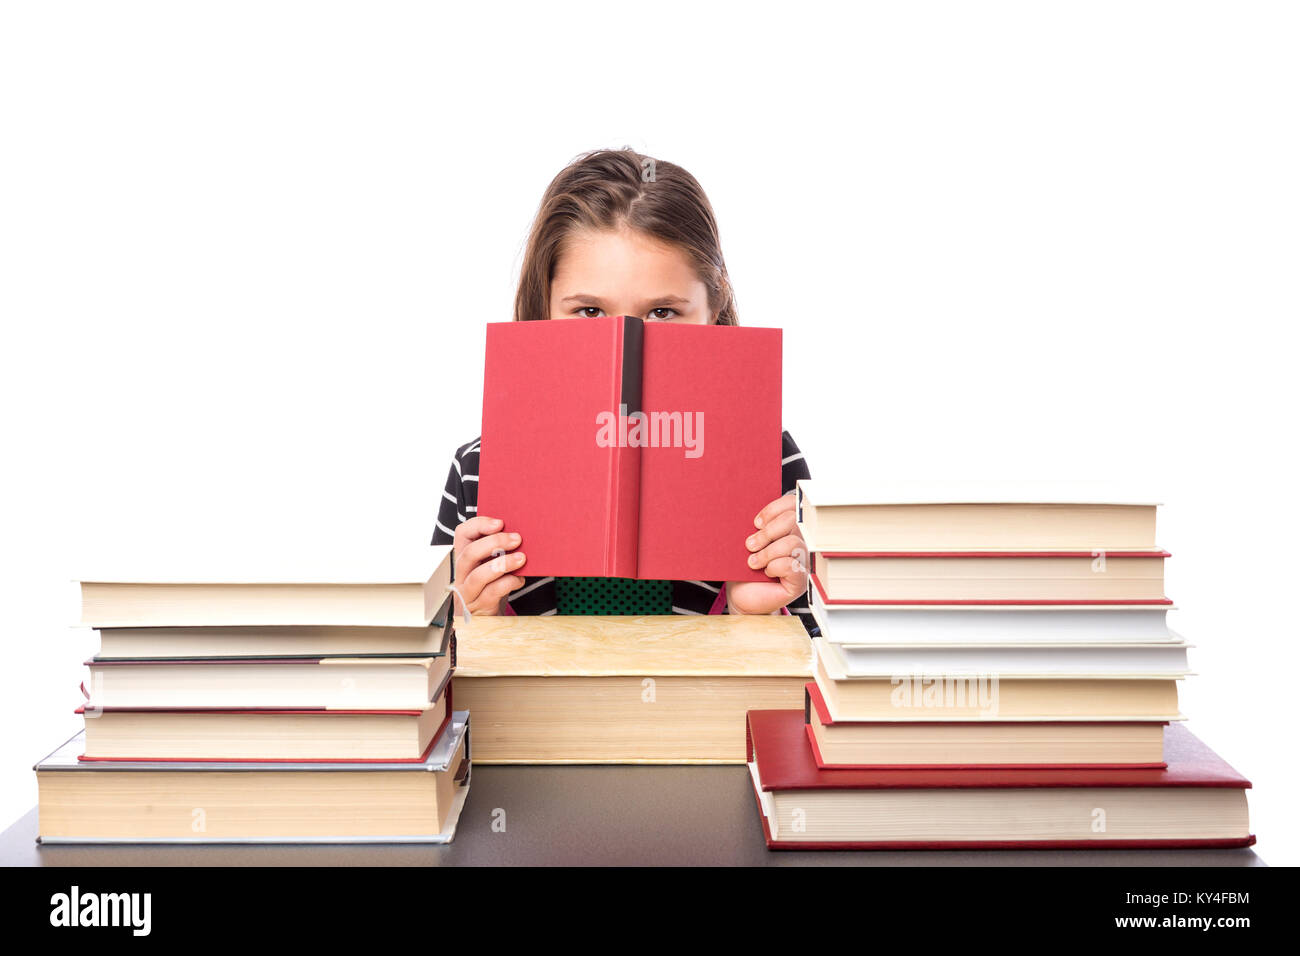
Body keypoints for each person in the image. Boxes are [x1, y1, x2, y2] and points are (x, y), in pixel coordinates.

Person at [432, 148, 816, 635]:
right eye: (589, 311)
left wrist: (752, 616)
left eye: (663, 312)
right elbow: (430, 692)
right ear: (543, 309)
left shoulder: (770, 466)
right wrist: (471, 621)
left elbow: (814, 696)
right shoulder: (477, 473)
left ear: (714, 307)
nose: (626, 349)